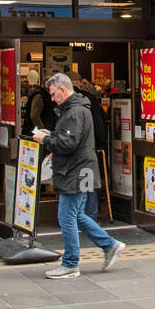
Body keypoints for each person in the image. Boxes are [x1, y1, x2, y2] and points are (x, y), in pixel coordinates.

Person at [33, 73, 125, 279]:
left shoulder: (73, 111)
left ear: (63, 90)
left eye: (53, 94)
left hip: (75, 171)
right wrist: (51, 135)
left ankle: (70, 264)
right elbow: (72, 139)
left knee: (66, 217)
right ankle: (110, 245)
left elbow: (68, 144)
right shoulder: (78, 108)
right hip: (81, 169)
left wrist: (45, 140)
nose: (52, 99)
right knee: (78, 215)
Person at [72, 74, 109, 220]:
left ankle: (81, 216)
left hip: (77, 148)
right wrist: (99, 143)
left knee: (78, 183)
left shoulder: (68, 102)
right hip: (89, 146)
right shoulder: (89, 99)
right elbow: (98, 124)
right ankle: (89, 216)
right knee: (88, 182)